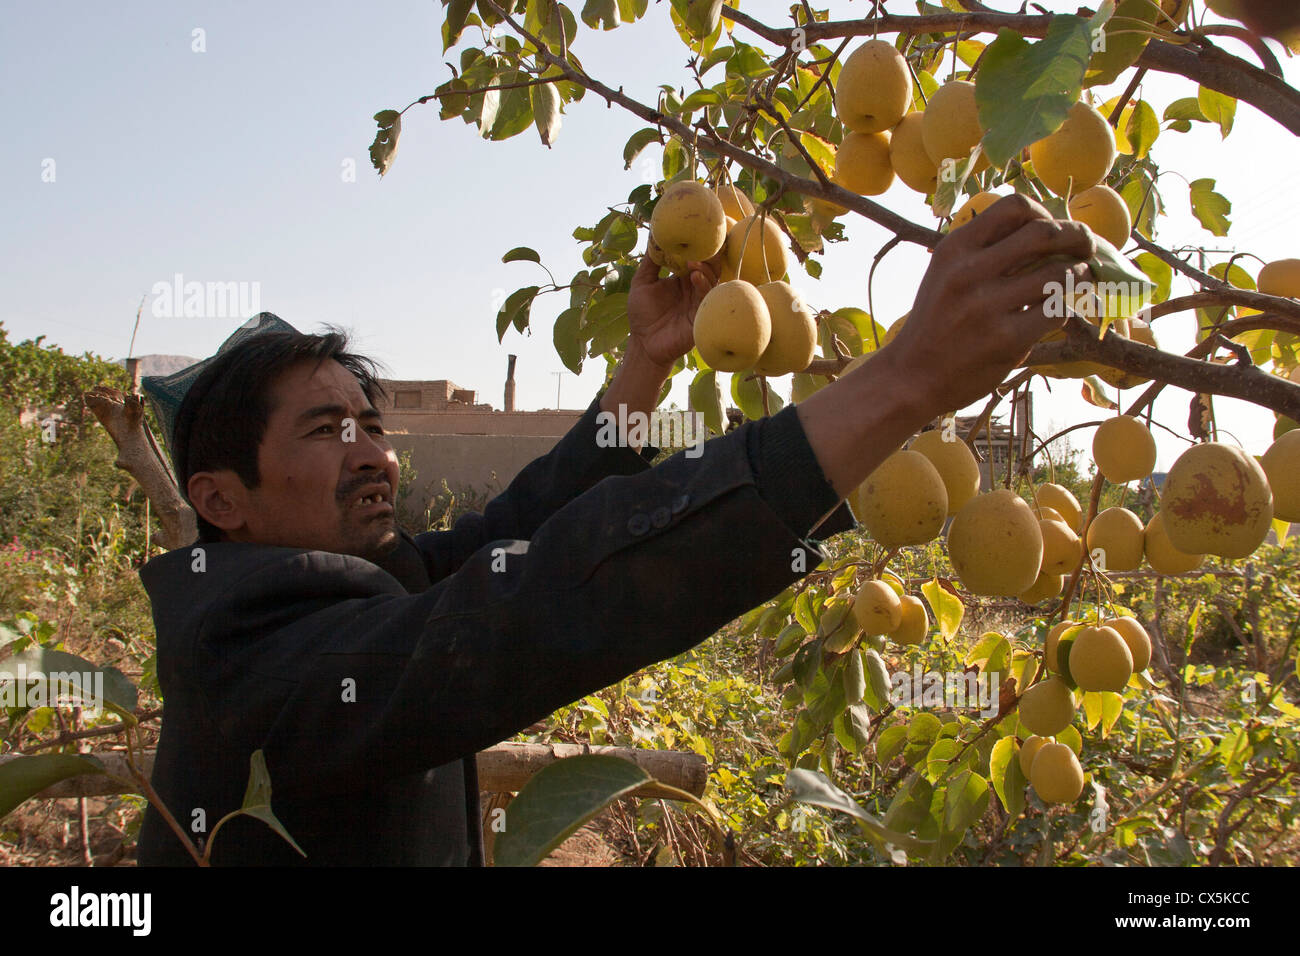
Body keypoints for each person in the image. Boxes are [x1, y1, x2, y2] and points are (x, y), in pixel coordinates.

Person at [135, 194, 1094, 865]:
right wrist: (900, 381)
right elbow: (531, 603)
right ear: (220, 500)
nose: (375, 456)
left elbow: (524, 523)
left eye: (373, 426)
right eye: (326, 431)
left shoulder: (372, 581)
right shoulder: (246, 658)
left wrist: (644, 363)